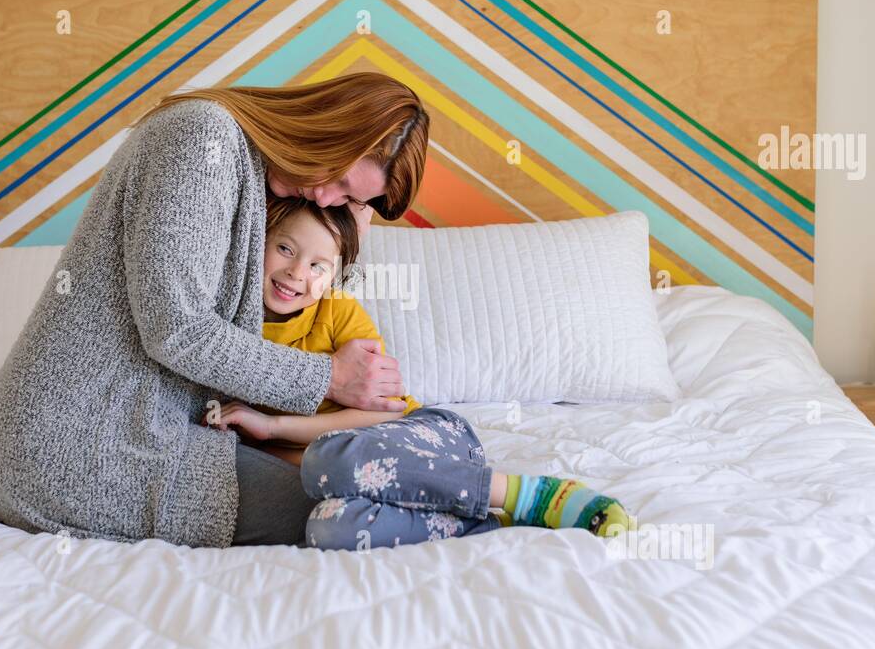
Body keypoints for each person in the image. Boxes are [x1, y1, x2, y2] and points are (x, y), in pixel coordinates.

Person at [0, 74, 428, 548]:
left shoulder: (259, 177)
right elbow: (179, 329)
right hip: (78, 443)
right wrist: (331, 378)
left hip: (145, 429)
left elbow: (320, 273)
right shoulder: (201, 138)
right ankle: (496, 511)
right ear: (321, 125)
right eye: (334, 177)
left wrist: (355, 214)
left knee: (374, 488)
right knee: (355, 512)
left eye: (348, 197)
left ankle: (493, 497)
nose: (325, 198)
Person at [207, 196, 635, 550]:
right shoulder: (225, 332)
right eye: (285, 249)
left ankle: (530, 494)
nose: (297, 272)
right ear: (256, 240)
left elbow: (384, 414)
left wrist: (273, 425)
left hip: (428, 440)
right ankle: (490, 527)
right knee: (326, 527)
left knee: (326, 458)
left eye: (319, 266)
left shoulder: (338, 313)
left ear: (336, 275)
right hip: (361, 482)